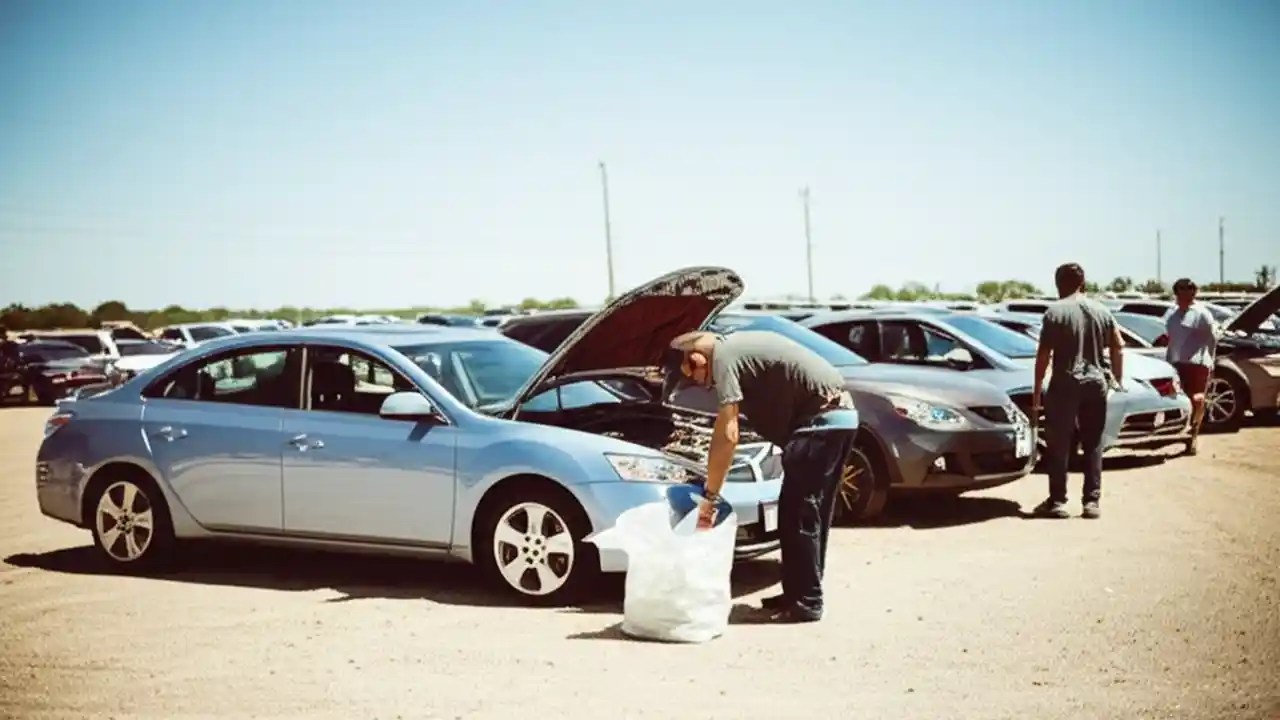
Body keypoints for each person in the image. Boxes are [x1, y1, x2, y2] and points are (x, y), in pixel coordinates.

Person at [666, 329, 858, 624]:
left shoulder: (722, 356)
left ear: (696, 359)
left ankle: (806, 602)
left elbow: (727, 434)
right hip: (839, 419)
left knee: (798, 517)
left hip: (818, 424)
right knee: (811, 514)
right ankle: (799, 592)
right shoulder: (737, 347)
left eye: (699, 380)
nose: (708, 387)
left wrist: (711, 493)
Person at [1032, 263, 1125, 520]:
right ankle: (1091, 502)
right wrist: (1117, 378)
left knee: (1059, 443)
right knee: (1094, 442)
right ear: (1083, 282)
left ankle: (1058, 501)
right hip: (1095, 382)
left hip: (1065, 382)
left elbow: (1043, 355)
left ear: (1058, 284)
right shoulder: (1102, 310)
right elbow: (1118, 345)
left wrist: (1037, 389)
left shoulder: (1055, 312)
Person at [1164, 278, 1217, 455]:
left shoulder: (1202, 314)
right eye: (1181, 290)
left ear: (1194, 292)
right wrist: (1168, 361)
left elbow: (1212, 340)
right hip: (1177, 363)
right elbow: (1171, 341)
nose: (1185, 293)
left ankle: (1193, 435)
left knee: (1197, 400)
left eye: (1189, 290)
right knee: (1180, 400)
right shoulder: (1172, 315)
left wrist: (1211, 361)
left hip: (1198, 363)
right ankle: (1180, 433)